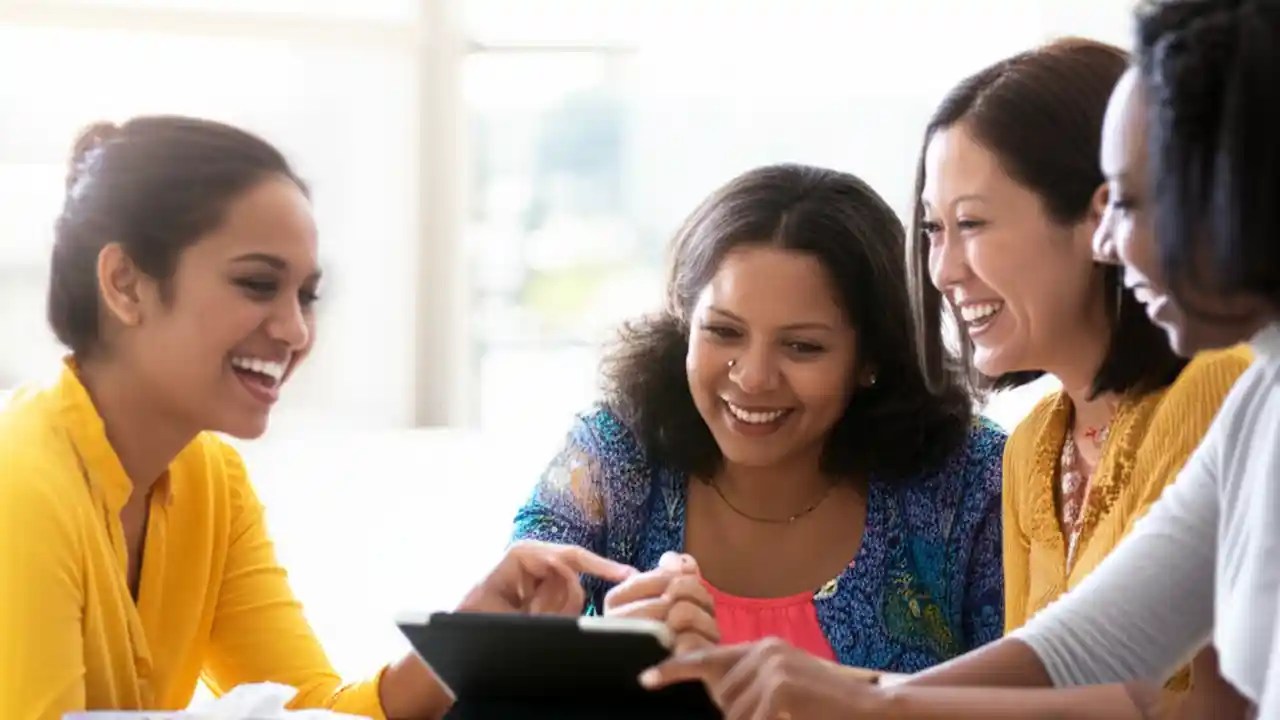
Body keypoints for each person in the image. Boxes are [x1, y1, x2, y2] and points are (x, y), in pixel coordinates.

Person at [641, 1, 1280, 717]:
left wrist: (869, 703)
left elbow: (1166, 703)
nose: (1110, 240)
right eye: (933, 229)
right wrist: (822, 689)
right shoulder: (1252, 404)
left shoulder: (1227, 387)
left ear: (1237, 186)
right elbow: (1086, 651)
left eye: (1129, 202)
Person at [0, 116, 635, 720]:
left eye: (306, 296)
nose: (295, 330)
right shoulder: (22, 482)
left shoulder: (209, 480)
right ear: (125, 283)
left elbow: (311, 709)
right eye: (256, 284)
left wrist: (473, 641)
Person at [511, 163, 1007, 672]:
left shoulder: (973, 483)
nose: (753, 377)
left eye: (801, 346)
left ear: (871, 360)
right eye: (724, 332)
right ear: (686, 324)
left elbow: (1039, 697)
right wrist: (600, 660)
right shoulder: (611, 457)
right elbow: (499, 657)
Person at [911, 36, 1249, 648]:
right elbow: (1025, 699)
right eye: (934, 228)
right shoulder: (1033, 447)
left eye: (971, 224)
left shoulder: (1218, 390)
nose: (943, 269)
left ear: (1100, 215)